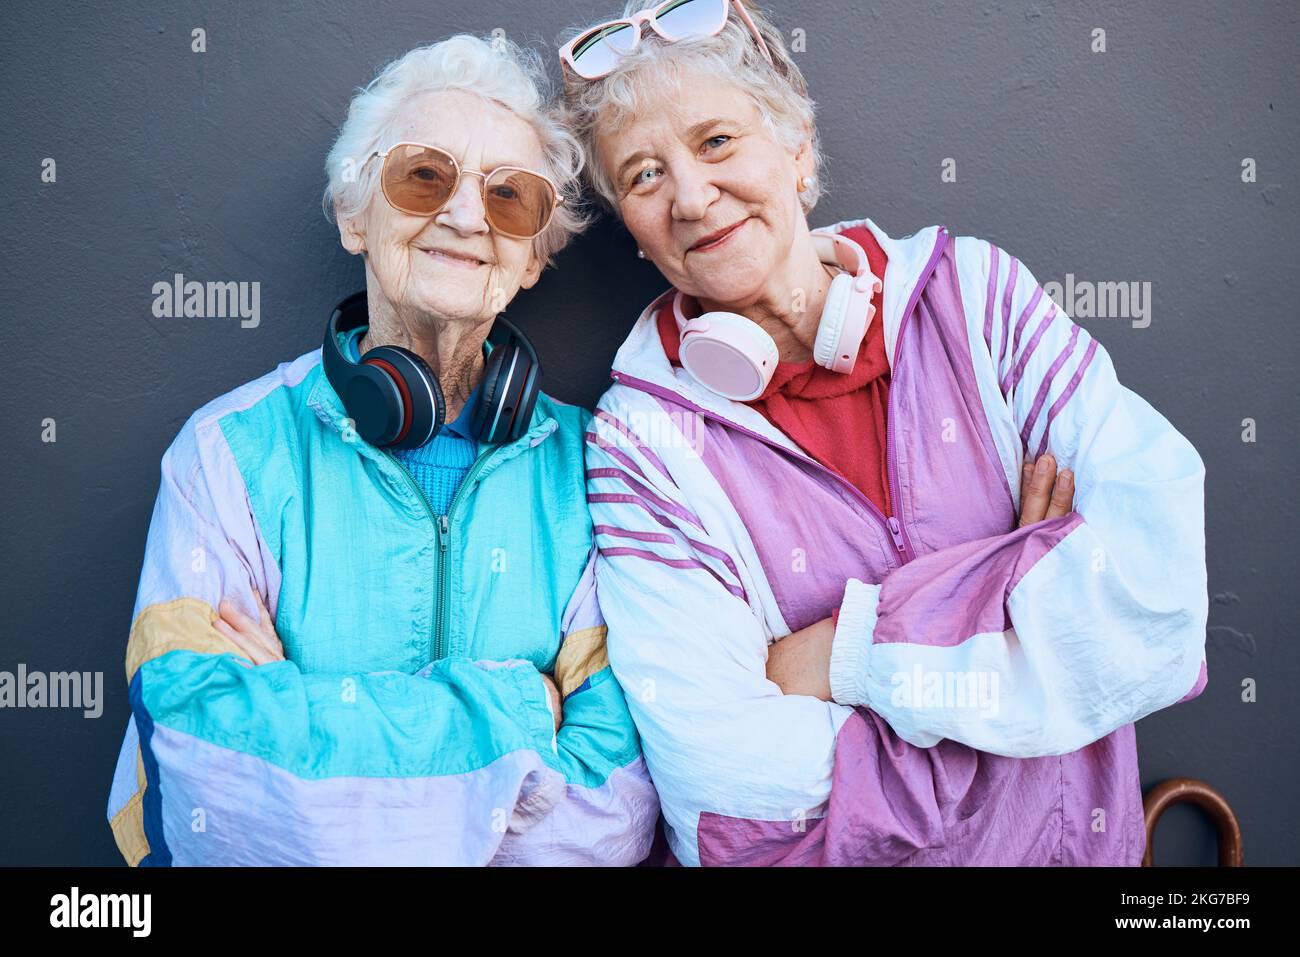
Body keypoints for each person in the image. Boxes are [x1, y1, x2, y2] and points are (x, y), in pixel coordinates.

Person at [559, 0, 1208, 865]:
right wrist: (1012, 601)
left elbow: (1153, 601)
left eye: (716, 142)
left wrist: (846, 654)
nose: (689, 196)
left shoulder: (978, 298)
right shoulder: (639, 444)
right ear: (633, 231)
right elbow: (727, 801)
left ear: (796, 148)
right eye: (643, 176)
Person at [105, 34, 658, 866]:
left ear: (535, 259)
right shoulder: (224, 454)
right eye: (424, 176)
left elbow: (613, 816)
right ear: (354, 215)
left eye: (510, 197)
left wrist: (300, 717)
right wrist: (516, 709)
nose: (468, 216)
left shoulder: (600, 470)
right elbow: (197, 781)